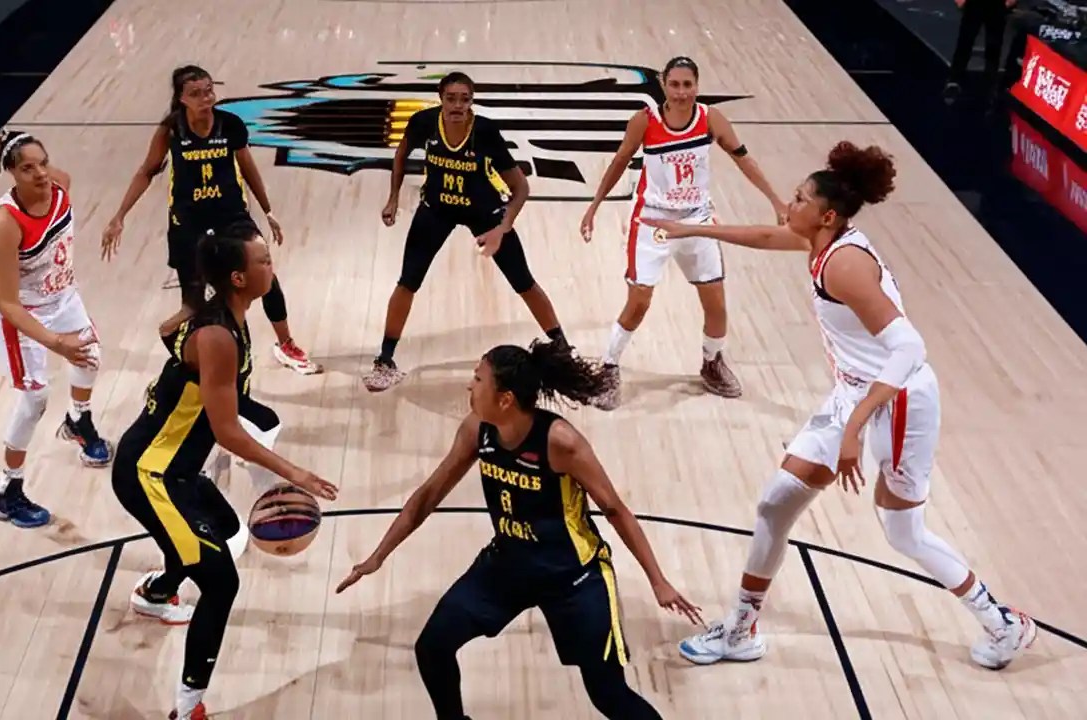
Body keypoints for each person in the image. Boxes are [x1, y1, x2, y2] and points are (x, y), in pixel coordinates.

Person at [638, 141, 1036, 671]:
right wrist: (695, 229)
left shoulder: (844, 264)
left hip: (900, 399)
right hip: (856, 392)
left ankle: (1001, 622)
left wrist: (852, 428)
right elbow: (763, 234)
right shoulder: (823, 241)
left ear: (826, 215)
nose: (789, 205)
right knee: (776, 504)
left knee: (903, 532)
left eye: (799, 199)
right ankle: (740, 627)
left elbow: (910, 349)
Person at [337, 338, 703, 718]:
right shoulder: (476, 430)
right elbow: (427, 496)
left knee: (607, 693)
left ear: (505, 398)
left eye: (478, 380)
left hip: (573, 578)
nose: (469, 386)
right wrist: (377, 557)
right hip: (508, 566)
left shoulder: (561, 442)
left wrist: (658, 580)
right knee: (432, 647)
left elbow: (615, 509)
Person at [111, 219, 338, 720]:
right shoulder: (218, 336)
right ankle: (187, 708)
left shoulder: (223, 317)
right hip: (152, 476)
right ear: (238, 278)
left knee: (225, 531)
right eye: (263, 261)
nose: (271, 267)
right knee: (221, 581)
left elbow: (167, 331)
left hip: (177, 469)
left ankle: (156, 592)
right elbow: (229, 431)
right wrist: (293, 473)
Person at [579, 56, 788, 408]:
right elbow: (618, 163)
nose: (681, 92)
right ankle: (610, 366)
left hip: (696, 220)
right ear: (663, 84)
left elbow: (744, 160)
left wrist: (776, 201)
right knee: (640, 301)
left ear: (697, 85)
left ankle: (711, 363)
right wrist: (594, 206)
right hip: (654, 222)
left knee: (716, 303)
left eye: (687, 84)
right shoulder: (644, 122)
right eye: (674, 84)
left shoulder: (711, 119)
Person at [101, 64, 320, 375]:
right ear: (181, 99)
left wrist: (268, 211)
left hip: (231, 216)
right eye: (196, 93)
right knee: (193, 304)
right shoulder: (171, 129)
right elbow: (146, 171)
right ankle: (191, 354)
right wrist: (119, 216)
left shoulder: (230, 125)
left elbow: (247, 167)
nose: (206, 98)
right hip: (188, 224)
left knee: (266, 278)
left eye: (208, 91)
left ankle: (286, 344)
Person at [362, 72, 568, 393]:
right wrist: (393, 197)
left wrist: (503, 228)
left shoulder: (485, 131)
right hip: (436, 209)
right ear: (440, 98)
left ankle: (563, 351)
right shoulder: (423, 123)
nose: (458, 105)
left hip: (484, 211)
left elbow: (521, 188)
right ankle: (385, 359)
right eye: (451, 98)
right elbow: (401, 153)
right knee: (407, 281)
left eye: (464, 99)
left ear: (472, 100)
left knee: (523, 281)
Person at [0, 129, 113, 530]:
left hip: (62, 295)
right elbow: (8, 303)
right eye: (27, 168)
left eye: (43, 163)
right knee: (33, 399)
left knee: (92, 356)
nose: (40, 174)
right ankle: (8, 489)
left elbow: (45, 169)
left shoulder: (61, 185)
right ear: (11, 173)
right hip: (22, 311)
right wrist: (56, 343)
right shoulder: (4, 223)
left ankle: (78, 421)